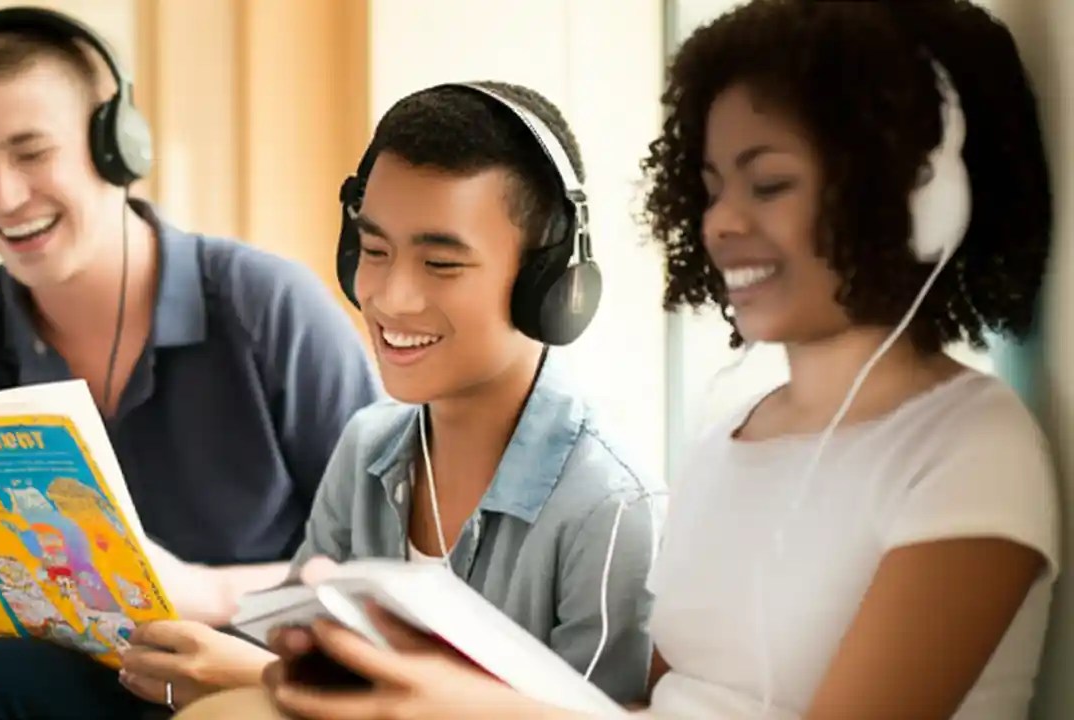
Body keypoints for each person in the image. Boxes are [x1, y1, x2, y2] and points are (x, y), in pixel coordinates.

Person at [259, 2, 1061, 719]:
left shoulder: (968, 448)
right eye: (712, 187)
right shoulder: (729, 438)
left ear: (917, 200)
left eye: (770, 184)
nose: (720, 225)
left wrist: (470, 710)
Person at [0, 7, 377, 719]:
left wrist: (206, 592)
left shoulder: (269, 309)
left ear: (117, 147)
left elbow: (383, 565)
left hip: (253, 681)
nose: (3, 197)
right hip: (85, 687)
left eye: (32, 152)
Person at [108, 80, 664, 715]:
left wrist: (255, 676)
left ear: (551, 284)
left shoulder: (612, 510)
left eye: (441, 264)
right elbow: (305, 650)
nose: (390, 296)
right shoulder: (368, 446)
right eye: (374, 250)